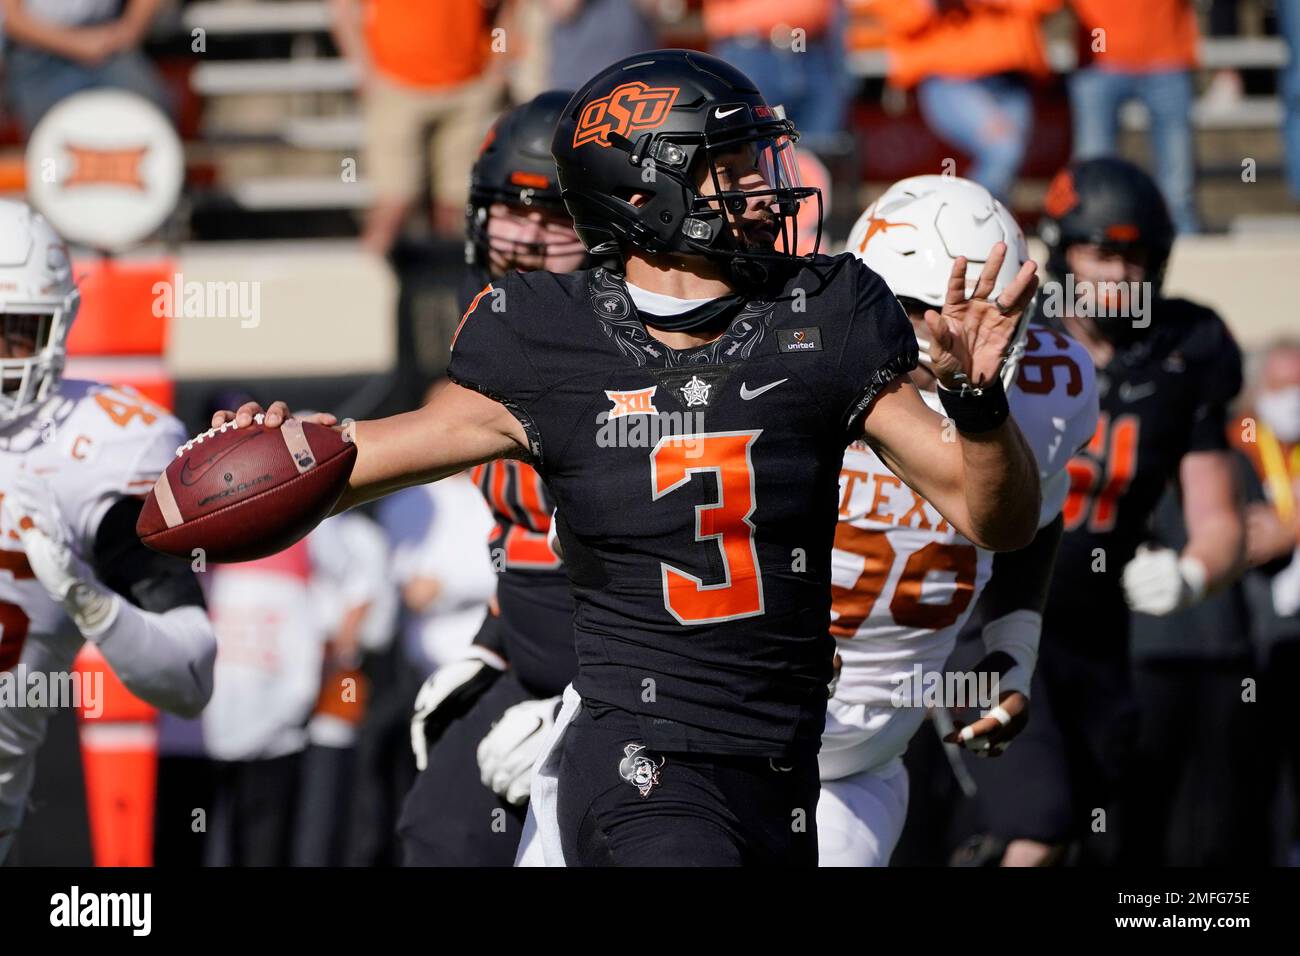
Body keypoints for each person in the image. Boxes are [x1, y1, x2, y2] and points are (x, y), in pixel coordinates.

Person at [203, 49, 1042, 867]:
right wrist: (273, 451)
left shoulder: (826, 313)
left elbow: (992, 519)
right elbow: (367, 457)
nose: (768, 189)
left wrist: (976, 400)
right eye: (736, 168)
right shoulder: (543, 331)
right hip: (644, 758)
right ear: (649, 190)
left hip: (781, 765)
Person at [960, 157, 1245, 866]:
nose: (1119, 275)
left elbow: (1220, 515)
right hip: (990, 609)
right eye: (1102, 253)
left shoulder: (1187, 347)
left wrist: (1191, 572)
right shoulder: (1015, 337)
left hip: (1096, 626)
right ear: (1064, 252)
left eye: (1135, 256)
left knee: (1091, 829)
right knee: (1039, 824)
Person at [817, 175, 1099, 867]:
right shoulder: (797, 365)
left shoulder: (1045, 392)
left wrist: (1014, 646)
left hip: (861, 762)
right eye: (922, 308)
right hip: (718, 730)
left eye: (979, 306)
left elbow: (1035, 517)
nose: (951, 330)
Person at [398, 93, 587, 867]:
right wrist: (492, 643)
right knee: (440, 835)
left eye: (556, 218)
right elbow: (522, 538)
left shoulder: (624, 353)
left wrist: (594, 711)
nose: (528, 239)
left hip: (632, 684)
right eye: (511, 209)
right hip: (529, 658)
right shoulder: (489, 328)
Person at [0, 200, 215, 862]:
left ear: (57, 328)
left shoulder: (101, 445)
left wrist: (91, 603)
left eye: (12, 331)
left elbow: (188, 676)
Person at [328, 0, 502, 253]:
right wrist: (365, 71)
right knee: (392, 208)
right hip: (396, 87)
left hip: (468, 88)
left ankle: (451, 288)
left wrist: (496, 67)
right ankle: (361, 287)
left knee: (455, 211)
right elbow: (342, 7)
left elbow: (507, 7)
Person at [871, 0, 1057, 202]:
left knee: (1008, 163)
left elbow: (1045, 4)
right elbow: (900, 16)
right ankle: (967, 218)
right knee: (1004, 149)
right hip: (949, 77)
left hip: (1011, 76)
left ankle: (984, 224)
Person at [1066, 0, 1202, 233]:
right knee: (1093, 176)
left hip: (1167, 55)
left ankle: (1183, 244)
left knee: (1177, 183)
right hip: (1098, 60)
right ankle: (1090, 240)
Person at [0, 0, 170, 132]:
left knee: (151, 113)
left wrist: (130, 30)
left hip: (105, 39)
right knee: (48, 141)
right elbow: (11, 18)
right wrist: (78, 44)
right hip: (37, 49)